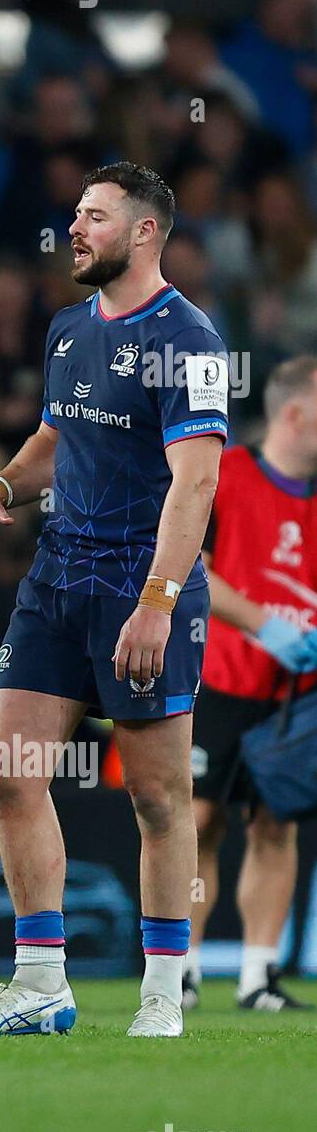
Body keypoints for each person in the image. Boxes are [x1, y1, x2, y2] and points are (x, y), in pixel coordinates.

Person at [0, 162, 228, 1038]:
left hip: (142, 590)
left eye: (94, 217)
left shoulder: (190, 340)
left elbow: (195, 483)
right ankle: (40, 985)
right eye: (74, 214)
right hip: (57, 579)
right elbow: (53, 437)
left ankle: (159, 992)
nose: (74, 229)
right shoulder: (68, 327)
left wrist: (157, 600)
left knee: (154, 796)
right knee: (10, 768)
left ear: (145, 232)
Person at [187, 355, 317, 1012]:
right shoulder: (225, 475)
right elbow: (190, 569)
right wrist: (265, 625)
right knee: (198, 821)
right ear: (293, 413)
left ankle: (257, 978)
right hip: (220, 679)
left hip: (296, 695)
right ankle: (177, 968)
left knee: (277, 827)